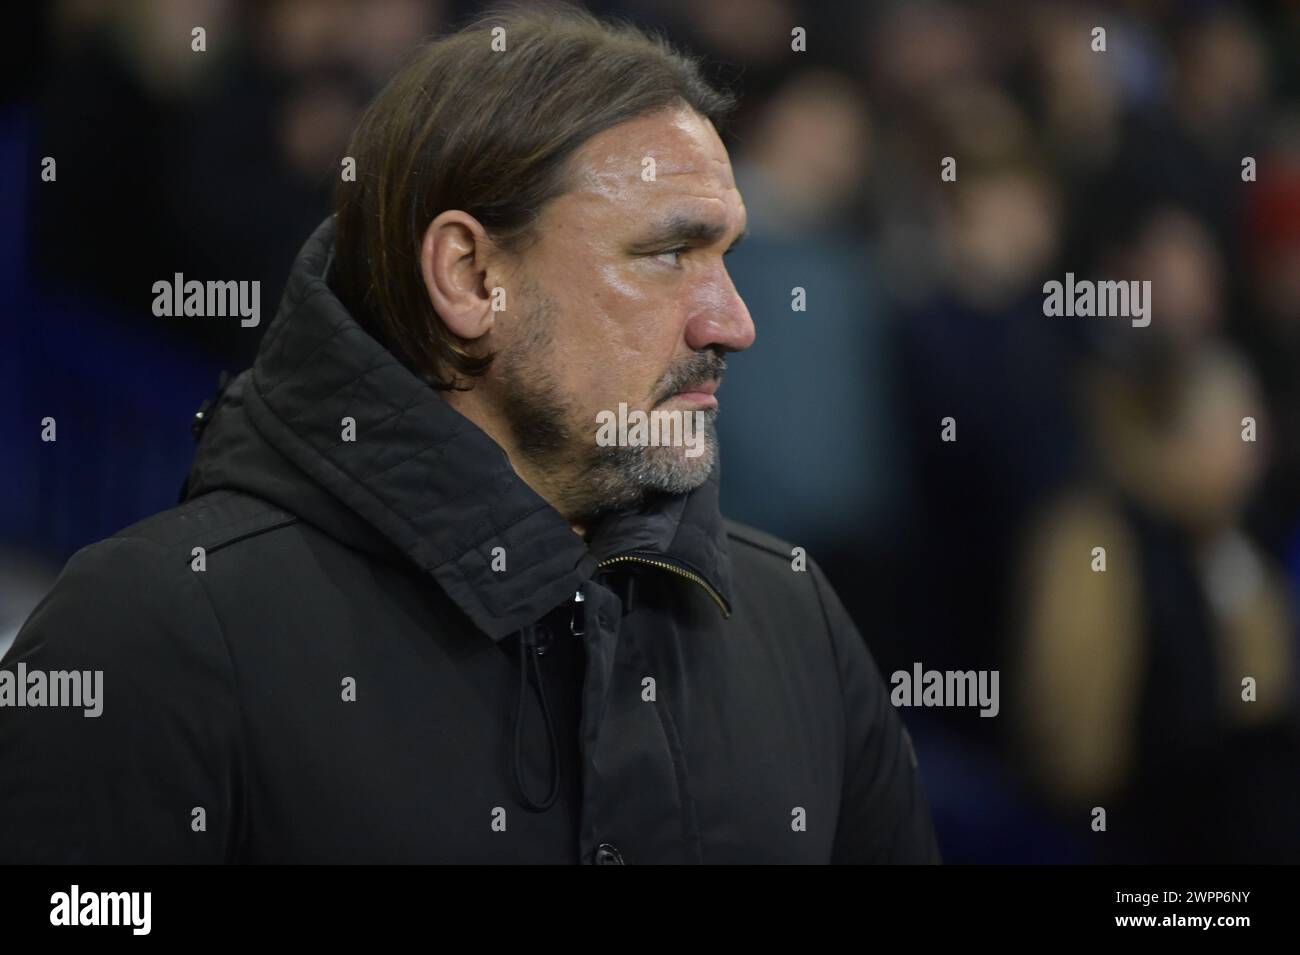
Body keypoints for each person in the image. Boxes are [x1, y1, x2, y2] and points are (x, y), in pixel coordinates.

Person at [0, 4, 939, 864]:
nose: (733, 322)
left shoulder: (798, 625)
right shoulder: (150, 633)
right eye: (666, 254)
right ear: (469, 276)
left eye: (725, 257)